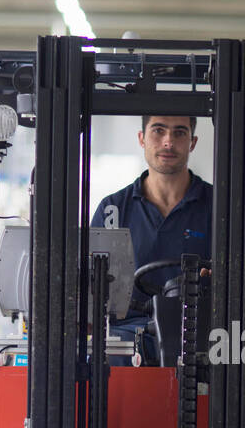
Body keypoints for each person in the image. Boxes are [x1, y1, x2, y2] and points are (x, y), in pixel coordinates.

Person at [90, 115, 212, 365]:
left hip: (195, 335)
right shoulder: (113, 210)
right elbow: (89, 289)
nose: (168, 142)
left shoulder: (218, 207)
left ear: (193, 142)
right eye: (158, 131)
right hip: (125, 338)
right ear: (141, 138)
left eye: (179, 133)